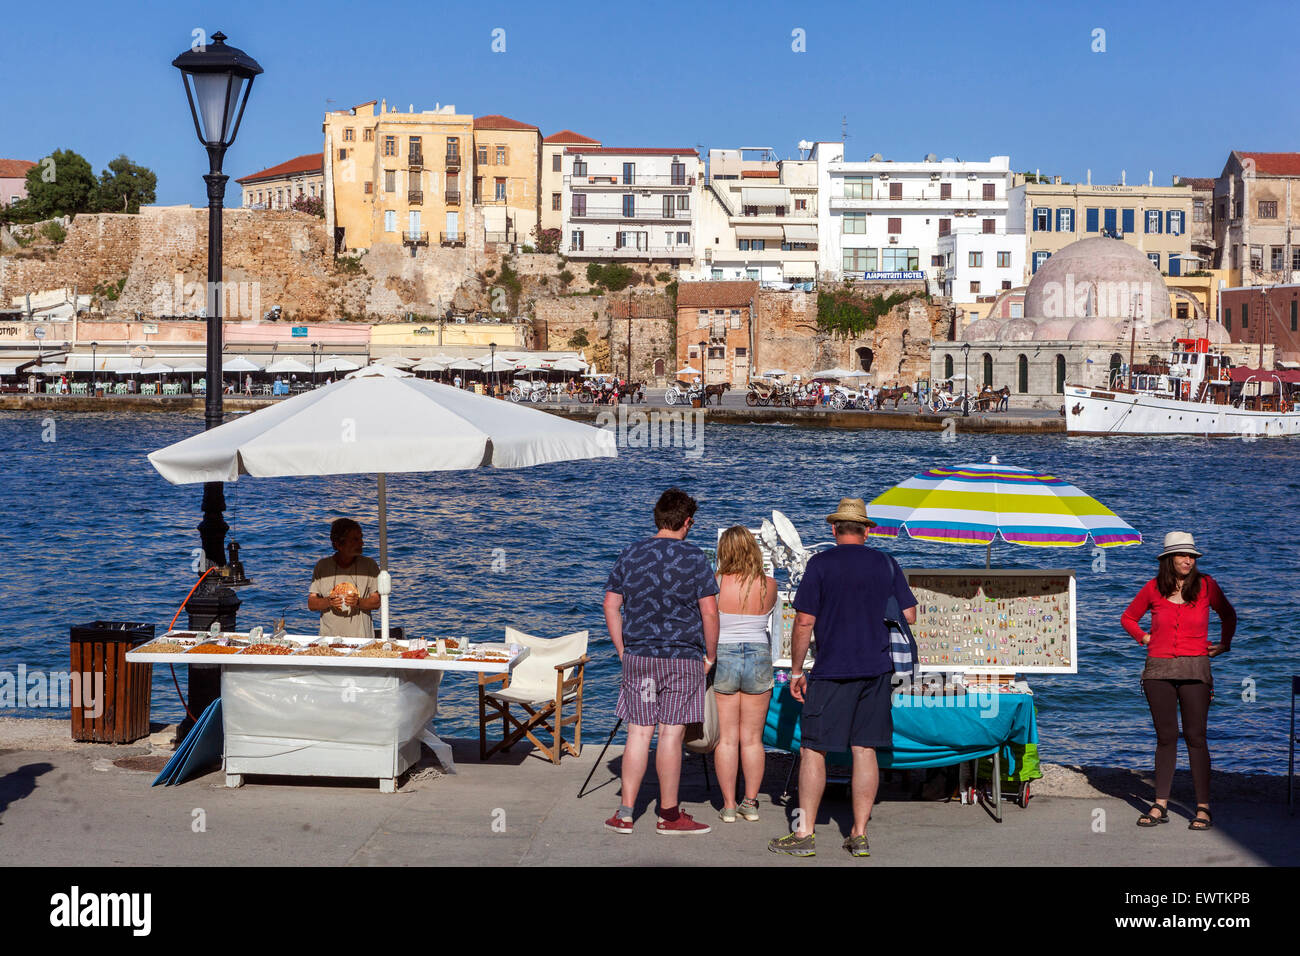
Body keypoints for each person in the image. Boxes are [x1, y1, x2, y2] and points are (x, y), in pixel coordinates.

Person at [769, 498, 916, 859]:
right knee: (864, 749)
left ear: (833, 529)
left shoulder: (820, 564)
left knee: (814, 749)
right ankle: (860, 833)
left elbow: (804, 622)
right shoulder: (886, 563)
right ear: (867, 530)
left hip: (832, 669)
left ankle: (804, 832)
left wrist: (798, 670)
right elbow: (910, 615)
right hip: (877, 668)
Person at [603, 488, 719, 836]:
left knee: (639, 732)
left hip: (638, 655)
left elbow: (611, 605)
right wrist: (710, 655)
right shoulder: (695, 557)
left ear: (657, 518)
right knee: (671, 734)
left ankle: (625, 813)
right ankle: (668, 815)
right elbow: (710, 612)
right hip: (683, 657)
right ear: (687, 522)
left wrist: (623, 649)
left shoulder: (630, 553)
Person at [1121, 532, 1236, 831]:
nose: (1189, 560)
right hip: (1157, 671)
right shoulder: (1153, 589)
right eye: (1183, 555)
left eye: (1192, 556)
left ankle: (1203, 807)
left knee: (1196, 737)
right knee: (1166, 738)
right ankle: (1160, 804)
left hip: (1196, 670)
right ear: (1169, 559)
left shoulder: (1208, 586)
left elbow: (1229, 615)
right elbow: (1128, 618)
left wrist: (1224, 644)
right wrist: (1145, 638)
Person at [713, 526, 778, 824]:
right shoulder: (769, 585)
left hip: (723, 654)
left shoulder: (714, 583)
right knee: (752, 739)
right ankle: (750, 803)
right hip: (758, 655)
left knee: (727, 739)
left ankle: (728, 805)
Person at [307, 518, 382, 638]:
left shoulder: (369, 565)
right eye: (355, 540)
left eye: (361, 538)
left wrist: (358, 602)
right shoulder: (322, 566)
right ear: (339, 544)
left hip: (362, 639)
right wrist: (329, 601)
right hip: (329, 640)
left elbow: (377, 601)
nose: (361, 543)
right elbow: (311, 603)